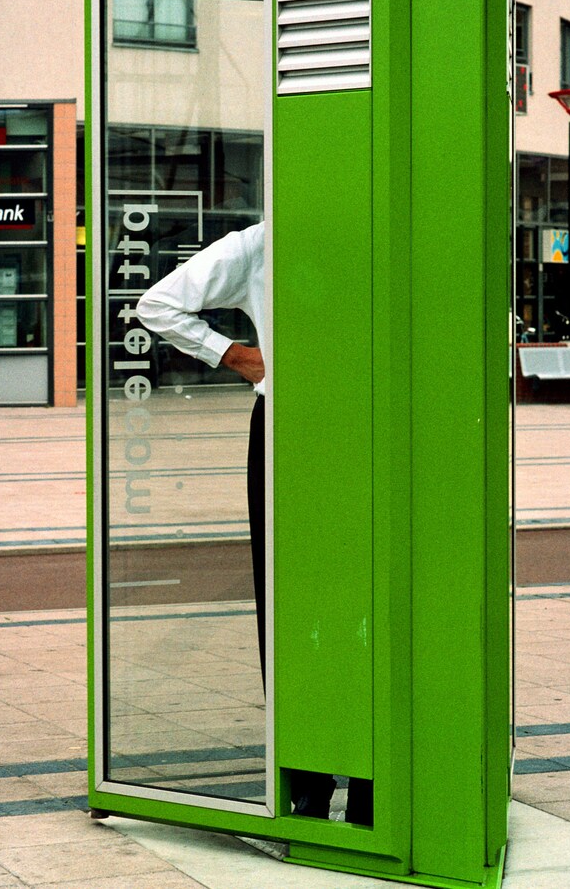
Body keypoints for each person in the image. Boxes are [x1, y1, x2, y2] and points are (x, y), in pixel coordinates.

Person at [136, 221, 370, 824]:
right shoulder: (263, 242)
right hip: (288, 427)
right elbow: (156, 303)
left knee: (362, 597)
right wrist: (237, 355)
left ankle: (370, 775)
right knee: (287, 596)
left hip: (369, 427)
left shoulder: (380, 231)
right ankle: (307, 779)